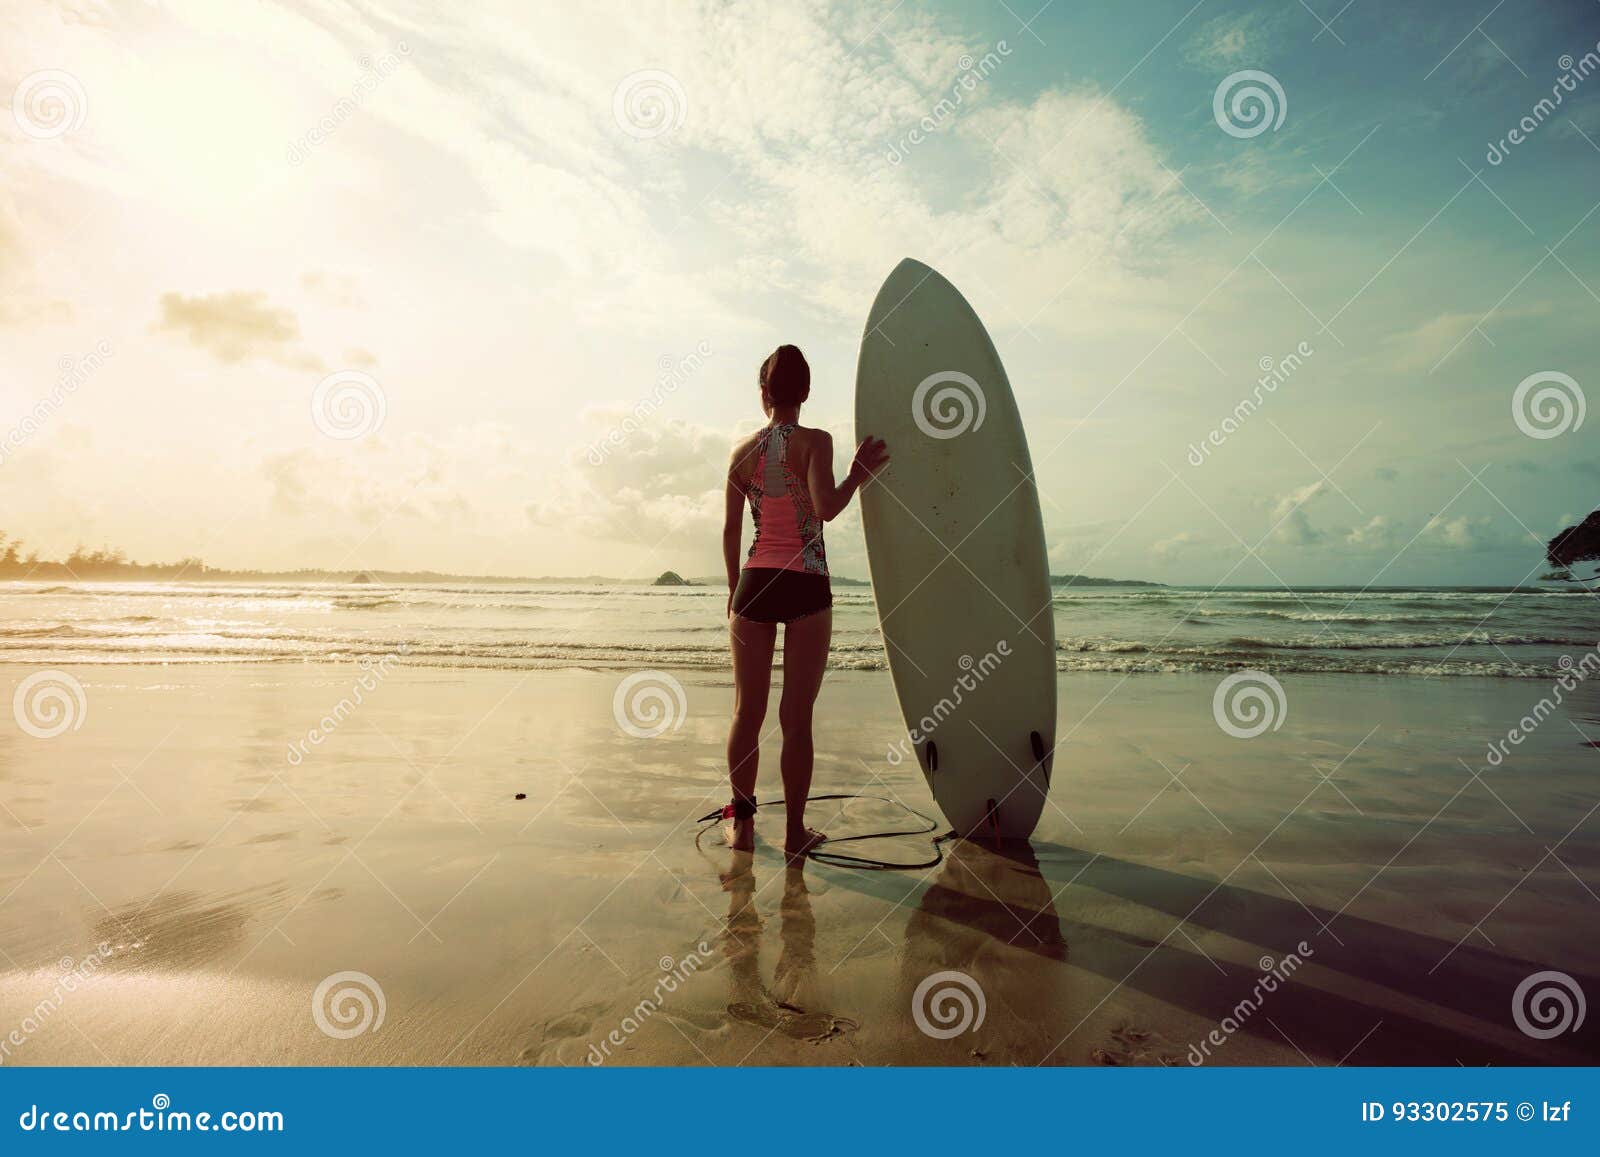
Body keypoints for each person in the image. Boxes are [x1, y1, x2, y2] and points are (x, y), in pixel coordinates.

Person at [721, 344, 889, 859]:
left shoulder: (741, 453)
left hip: (755, 584)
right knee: (796, 717)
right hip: (807, 583)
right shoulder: (817, 441)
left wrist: (734, 594)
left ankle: (743, 825)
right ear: (807, 392)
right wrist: (858, 475)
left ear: (764, 393)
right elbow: (826, 508)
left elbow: (731, 531)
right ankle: (795, 833)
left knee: (746, 712)